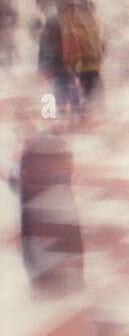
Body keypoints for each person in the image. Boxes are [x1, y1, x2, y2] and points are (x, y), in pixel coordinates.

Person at [7, 117, 84, 296]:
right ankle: (58, 280)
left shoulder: (33, 155)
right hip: (54, 214)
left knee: (43, 248)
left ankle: (49, 282)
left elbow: (18, 182)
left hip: (42, 217)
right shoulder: (49, 151)